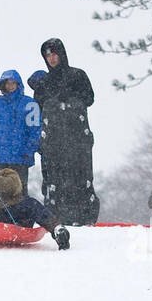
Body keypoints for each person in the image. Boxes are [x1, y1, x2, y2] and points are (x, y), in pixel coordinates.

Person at [33, 38, 99, 225]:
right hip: (53, 139)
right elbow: (37, 106)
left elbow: (89, 98)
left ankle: (84, 216)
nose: (52, 59)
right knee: (54, 178)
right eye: (48, 56)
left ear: (61, 54)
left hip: (77, 137)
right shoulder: (44, 82)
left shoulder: (77, 75)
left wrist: (70, 99)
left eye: (54, 54)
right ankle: (56, 218)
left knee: (80, 176)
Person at [0, 150, 70, 249]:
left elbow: (14, 186)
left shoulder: (6, 174)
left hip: (10, 217)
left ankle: (57, 230)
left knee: (31, 203)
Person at [0, 70, 41, 191]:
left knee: (20, 195)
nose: (10, 86)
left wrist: (28, 151)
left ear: (18, 84)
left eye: (13, 83)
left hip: (21, 159)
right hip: (0, 159)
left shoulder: (29, 104)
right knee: (1, 197)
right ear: (3, 85)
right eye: (7, 83)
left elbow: (35, 131)